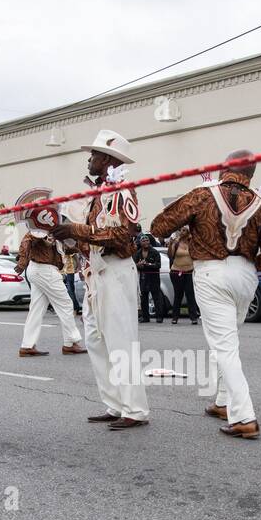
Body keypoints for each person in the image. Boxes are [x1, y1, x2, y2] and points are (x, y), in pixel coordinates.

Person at [151, 150, 261, 440]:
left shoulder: (202, 194)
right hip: (246, 275)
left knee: (224, 347)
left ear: (224, 168)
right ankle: (223, 401)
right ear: (251, 173)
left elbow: (158, 226)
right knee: (229, 342)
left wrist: (189, 229)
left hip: (211, 273)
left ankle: (245, 417)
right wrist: (251, 264)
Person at [51, 128, 149, 430]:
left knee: (120, 341)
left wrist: (75, 231)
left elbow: (122, 236)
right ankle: (114, 404)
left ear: (107, 159)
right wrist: (69, 238)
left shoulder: (122, 190)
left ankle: (135, 409)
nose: (89, 159)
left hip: (116, 272)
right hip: (95, 274)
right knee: (96, 341)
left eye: (93, 155)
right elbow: (94, 237)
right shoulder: (99, 194)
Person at [15, 218, 85, 357]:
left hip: (41, 270)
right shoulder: (39, 230)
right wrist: (22, 262)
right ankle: (71, 342)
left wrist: (79, 246)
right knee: (65, 304)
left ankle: (27, 346)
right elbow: (26, 241)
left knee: (36, 309)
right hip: (44, 270)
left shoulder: (52, 232)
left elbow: (64, 249)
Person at [135, 232, 170, 323]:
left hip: (153, 278)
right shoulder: (138, 253)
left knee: (156, 297)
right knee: (144, 298)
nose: (146, 242)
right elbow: (134, 265)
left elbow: (158, 265)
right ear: (140, 243)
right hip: (143, 278)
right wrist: (139, 265)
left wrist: (148, 265)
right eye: (143, 241)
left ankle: (159, 316)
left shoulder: (154, 252)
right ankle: (145, 317)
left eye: (147, 240)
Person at [167, 227, 199, 325]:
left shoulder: (191, 242)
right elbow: (170, 255)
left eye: (185, 230)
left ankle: (193, 317)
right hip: (177, 272)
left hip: (189, 272)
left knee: (190, 294)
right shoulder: (176, 243)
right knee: (178, 294)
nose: (182, 232)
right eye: (182, 230)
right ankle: (175, 317)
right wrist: (170, 244)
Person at [61, 245, 82, 316]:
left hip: (70, 271)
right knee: (63, 291)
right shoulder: (57, 246)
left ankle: (75, 308)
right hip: (61, 271)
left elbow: (75, 257)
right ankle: (67, 309)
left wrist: (79, 268)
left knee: (70, 290)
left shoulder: (67, 244)